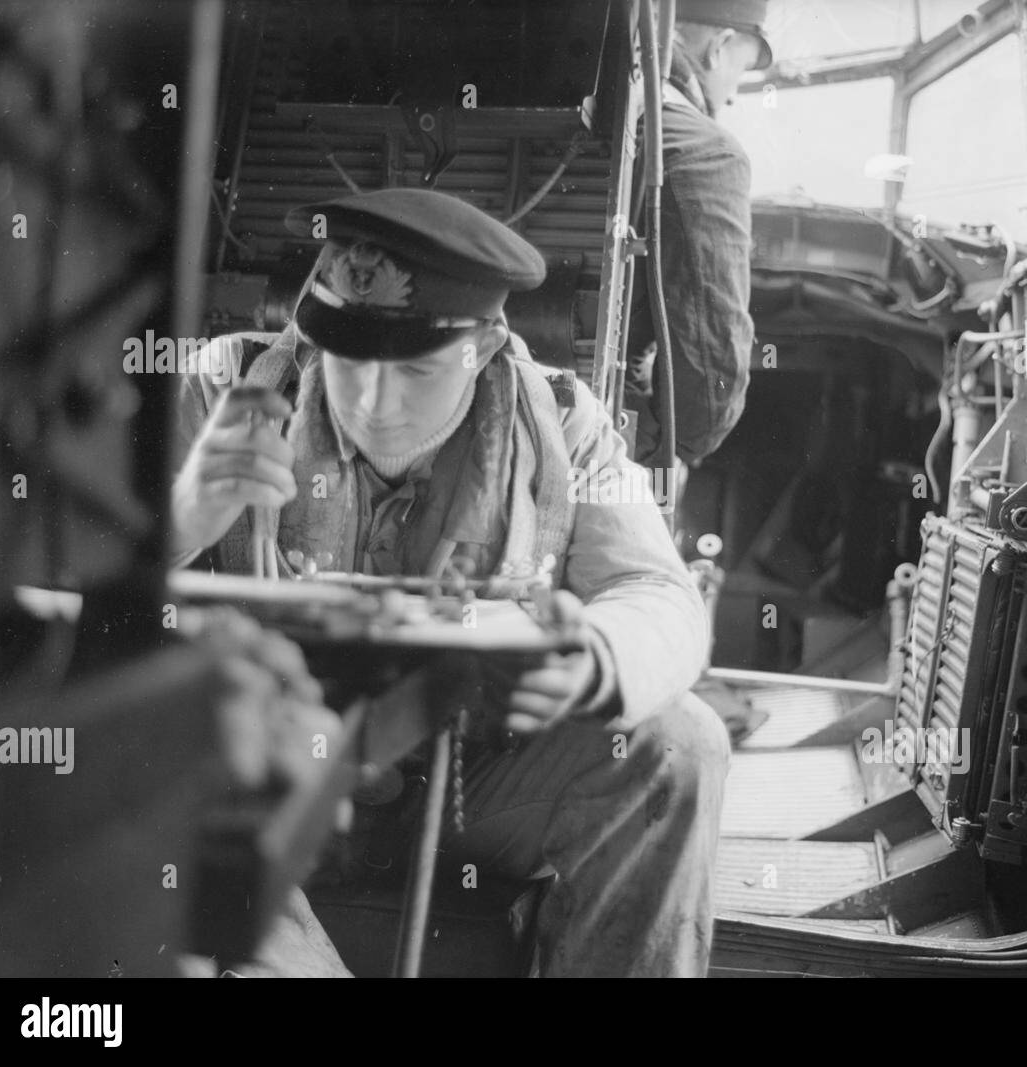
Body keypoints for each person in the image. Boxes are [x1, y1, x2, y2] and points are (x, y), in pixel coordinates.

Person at [170, 188, 730, 977]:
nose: (373, 401)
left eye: (417, 371)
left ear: (486, 346)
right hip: (265, 776)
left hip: (471, 783)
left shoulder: (567, 422)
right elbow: (59, 582)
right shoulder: (225, 389)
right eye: (348, 363)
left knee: (679, 746)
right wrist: (183, 518)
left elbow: (657, 591)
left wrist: (592, 659)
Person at [626, 0, 770, 469]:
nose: (730, 96)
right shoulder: (706, 152)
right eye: (741, 70)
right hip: (597, 438)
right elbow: (712, 373)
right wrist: (685, 445)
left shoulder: (615, 102)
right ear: (719, 47)